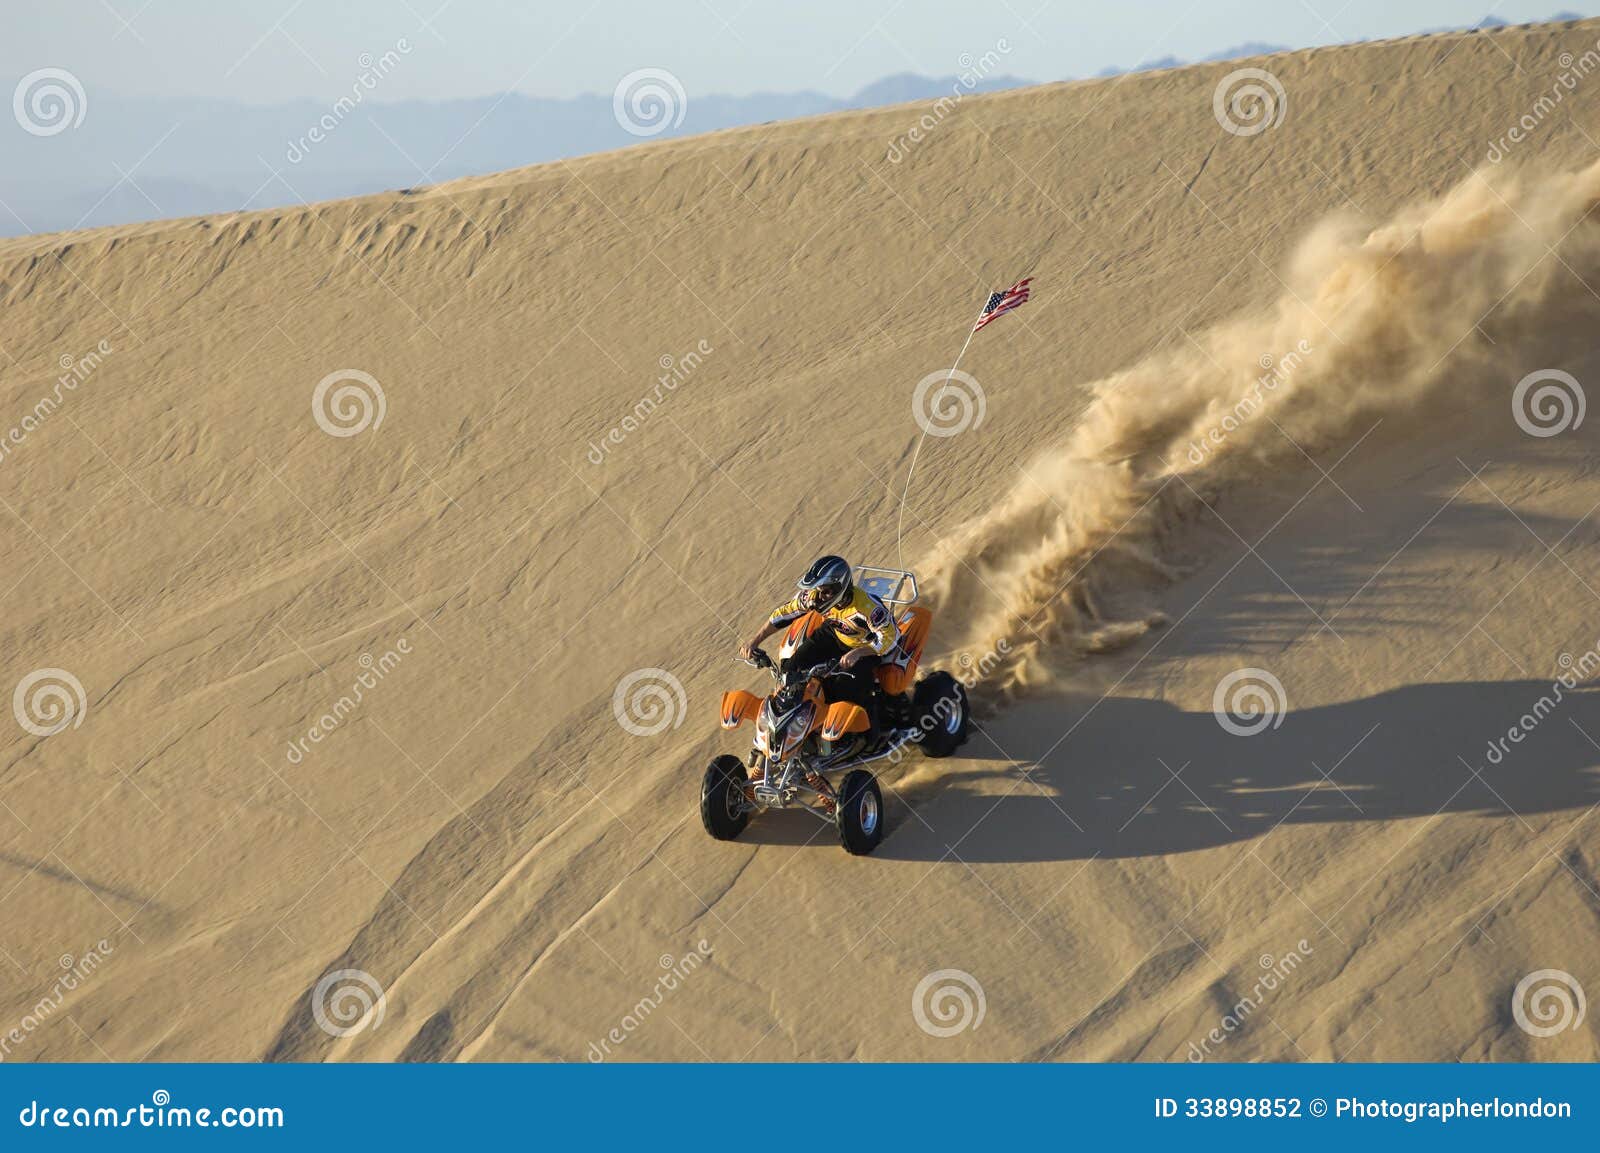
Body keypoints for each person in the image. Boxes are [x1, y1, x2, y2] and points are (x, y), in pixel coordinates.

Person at [738, 555, 899, 728]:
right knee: (790, 669)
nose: (821, 596)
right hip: (833, 634)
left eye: (826, 591)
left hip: (866, 647)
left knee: (845, 691)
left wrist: (859, 652)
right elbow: (783, 614)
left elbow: (891, 637)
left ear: (840, 588)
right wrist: (755, 640)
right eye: (819, 589)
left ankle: (872, 728)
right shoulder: (814, 596)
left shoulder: (867, 608)